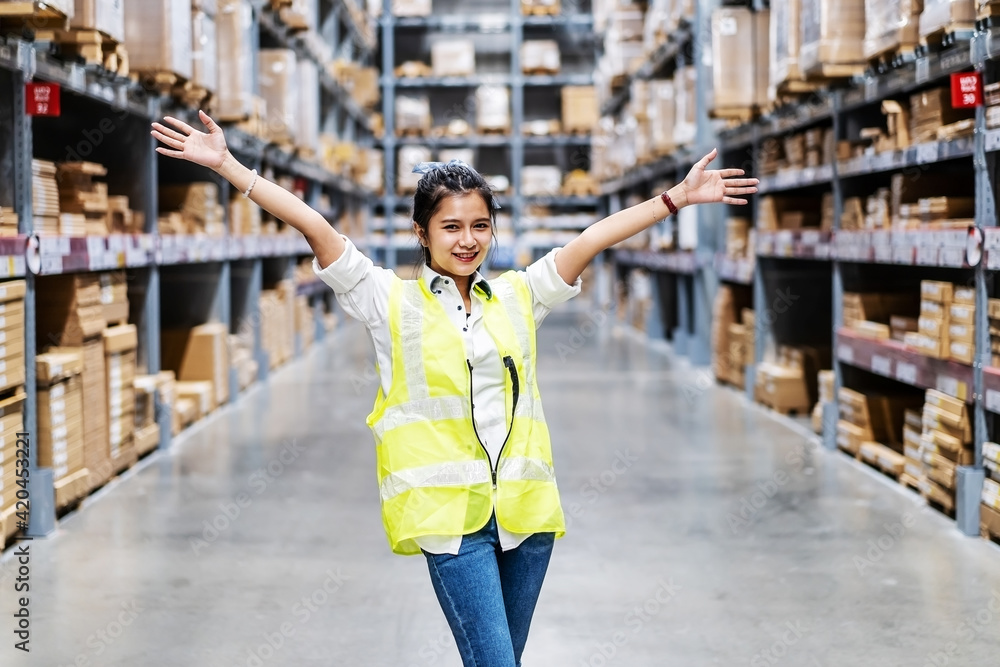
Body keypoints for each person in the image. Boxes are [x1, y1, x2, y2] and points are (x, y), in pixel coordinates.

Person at [151, 110, 758, 667]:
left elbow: (593, 238)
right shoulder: (387, 300)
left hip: (527, 519)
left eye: (480, 226)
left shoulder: (520, 296)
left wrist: (676, 198)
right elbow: (314, 223)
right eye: (451, 227)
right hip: (451, 526)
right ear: (422, 232)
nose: (467, 240)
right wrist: (230, 167)